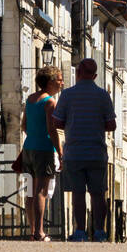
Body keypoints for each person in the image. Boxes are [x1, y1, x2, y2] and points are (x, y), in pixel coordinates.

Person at [52, 57, 116, 242]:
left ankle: (80, 231)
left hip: (74, 151)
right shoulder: (103, 95)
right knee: (98, 194)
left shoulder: (67, 95)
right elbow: (111, 125)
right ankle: (99, 232)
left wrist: (73, 124)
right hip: (97, 151)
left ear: (78, 73)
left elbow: (57, 121)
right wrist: (95, 124)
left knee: (78, 193)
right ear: (95, 75)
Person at [21, 65, 64, 241]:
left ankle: (32, 231)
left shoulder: (30, 99)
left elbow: (24, 125)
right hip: (44, 148)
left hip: (28, 147)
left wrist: (33, 136)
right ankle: (40, 232)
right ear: (51, 81)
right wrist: (60, 152)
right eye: (60, 79)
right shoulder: (50, 102)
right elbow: (52, 130)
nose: (62, 83)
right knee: (41, 191)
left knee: (30, 191)